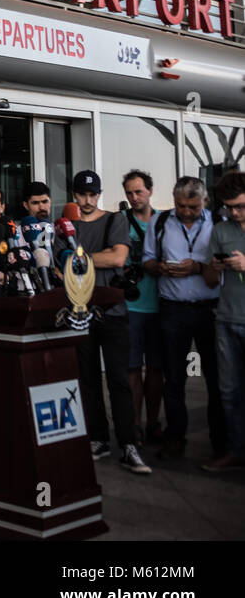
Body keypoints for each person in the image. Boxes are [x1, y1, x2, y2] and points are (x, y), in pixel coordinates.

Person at [62, 170, 149, 473]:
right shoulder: (65, 226)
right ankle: (98, 437)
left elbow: (118, 259)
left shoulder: (115, 219)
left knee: (119, 379)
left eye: (93, 194)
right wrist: (89, 257)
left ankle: (128, 444)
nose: (88, 200)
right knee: (87, 380)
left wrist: (79, 257)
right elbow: (61, 267)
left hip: (112, 311)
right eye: (82, 194)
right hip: (79, 311)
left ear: (99, 194)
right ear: (74, 193)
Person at [144, 176, 226, 462]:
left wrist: (198, 267)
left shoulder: (218, 222)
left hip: (210, 308)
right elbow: (147, 260)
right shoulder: (161, 222)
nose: (187, 212)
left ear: (203, 202)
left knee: (216, 378)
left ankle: (221, 442)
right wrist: (161, 267)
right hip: (173, 308)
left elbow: (226, 266)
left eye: (193, 206)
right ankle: (175, 437)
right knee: (174, 378)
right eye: (181, 205)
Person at [206, 171, 245, 472]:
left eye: (240, 206)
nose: (234, 212)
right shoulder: (220, 230)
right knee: (229, 390)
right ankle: (235, 450)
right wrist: (216, 265)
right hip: (226, 318)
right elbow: (208, 279)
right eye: (229, 206)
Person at [121, 170, 163, 445]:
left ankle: (153, 423)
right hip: (132, 305)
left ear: (150, 190)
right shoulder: (121, 222)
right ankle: (134, 423)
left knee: (157, 369)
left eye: (139, 191)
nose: (134, 197)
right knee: (133, 368)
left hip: (161, 304)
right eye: (129, 193)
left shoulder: (164, 222)